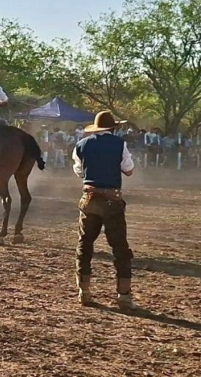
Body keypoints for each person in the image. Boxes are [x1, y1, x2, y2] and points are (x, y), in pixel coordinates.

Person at [72, 111, 138, 310]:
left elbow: (79, 171)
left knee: (85, 244)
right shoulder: (120, 144)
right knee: (120, 248)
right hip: (111, 200)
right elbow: (129, 170)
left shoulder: (82, 145)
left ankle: (84, 291)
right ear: (112, 128)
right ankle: (123, 296)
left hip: (90, 199)